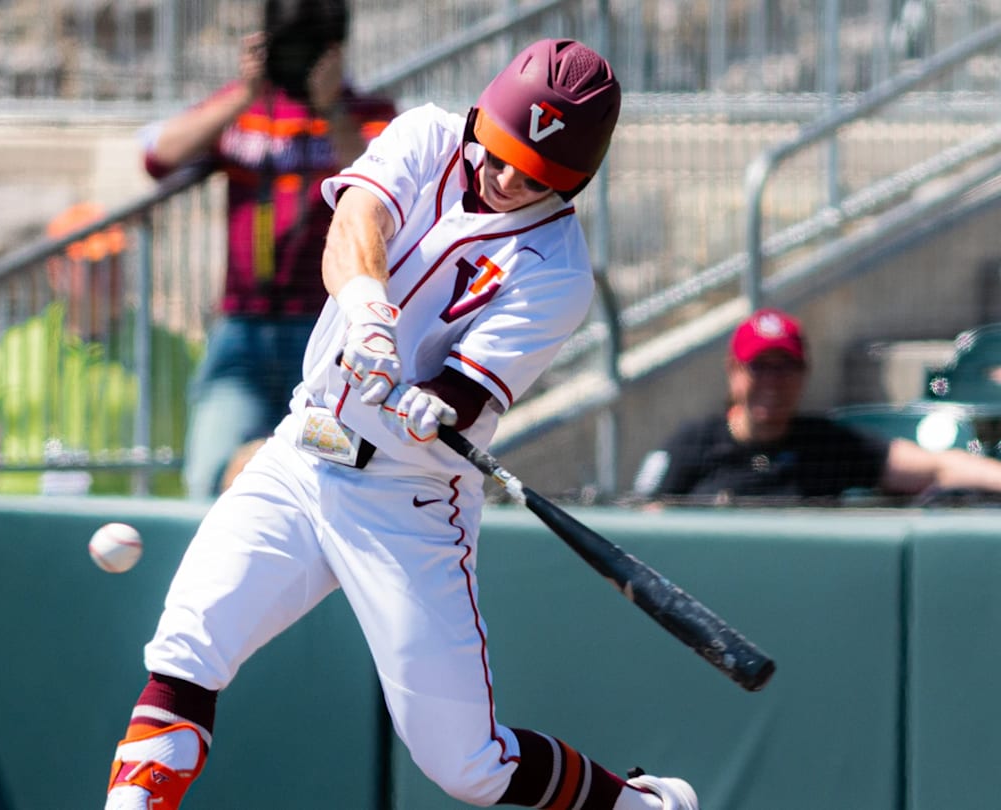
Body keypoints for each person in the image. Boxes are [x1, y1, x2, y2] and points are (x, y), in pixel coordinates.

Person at [105, 39, 698, 810]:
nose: (511, 178)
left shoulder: (558, 271)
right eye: (504, 152)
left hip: (406, 501)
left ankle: (641, 806)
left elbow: (466, 397)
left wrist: (433, 406)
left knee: (469, 768)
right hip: (301, 453)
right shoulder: (424, 135)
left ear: (577, 178)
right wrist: (368, 316)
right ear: (483, 119)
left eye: (540, 173)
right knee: (186, 646)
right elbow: (355, 226)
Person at [141, 0, 399, 498]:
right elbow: (157, 157)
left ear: (337, 52)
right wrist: (242, 95)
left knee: (336, 475)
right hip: (243, 332)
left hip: (328, 335)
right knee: (210, 473)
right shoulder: (245, 111)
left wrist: (331, 110)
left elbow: (391, 189)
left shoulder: (371, 117)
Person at [633, 308, 1001, 503]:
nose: (773, 381)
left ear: (805, 372)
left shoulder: (825, 444)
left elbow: (935, 468)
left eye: (786, 367)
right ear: (734, 372)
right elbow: (645, 524)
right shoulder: (693, 445)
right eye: (760, 367)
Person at [0, 202, 197, 497]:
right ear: (56, 271)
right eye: (94, 266)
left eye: (117, 261)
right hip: (28, 524)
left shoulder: (178, 353)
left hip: (135, 528)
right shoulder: (12, 350)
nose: (111, 276)